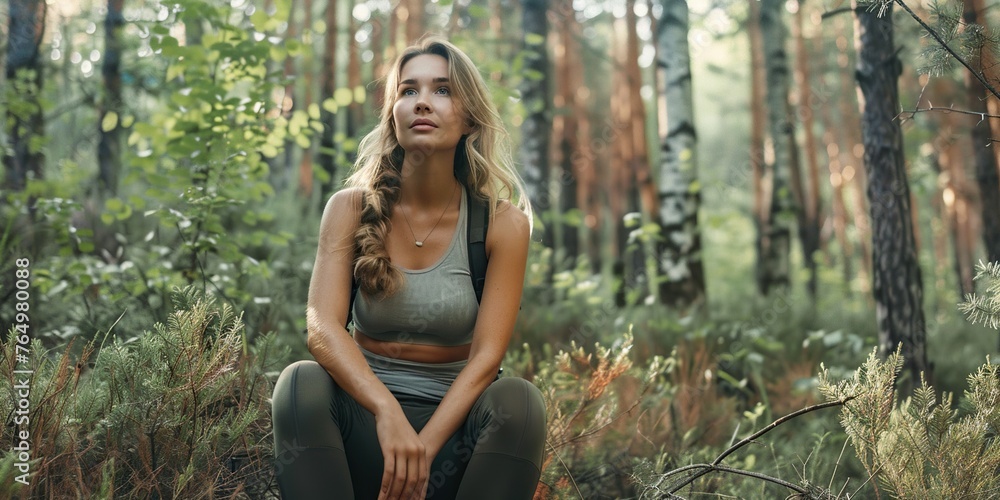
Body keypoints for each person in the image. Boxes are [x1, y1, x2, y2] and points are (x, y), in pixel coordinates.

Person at [271, 36, 546, 500]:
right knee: (299, 381)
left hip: (452, 444)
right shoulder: (349, 209)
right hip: (363, 429)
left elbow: (486, 359)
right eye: (408, 91)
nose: (422, 102)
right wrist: (386, 412)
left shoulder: (502, 224)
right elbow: (321, 329)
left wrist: (421, 449)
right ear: (393, 115)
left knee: (520, 403)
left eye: (442, 90)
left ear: (469, 119)